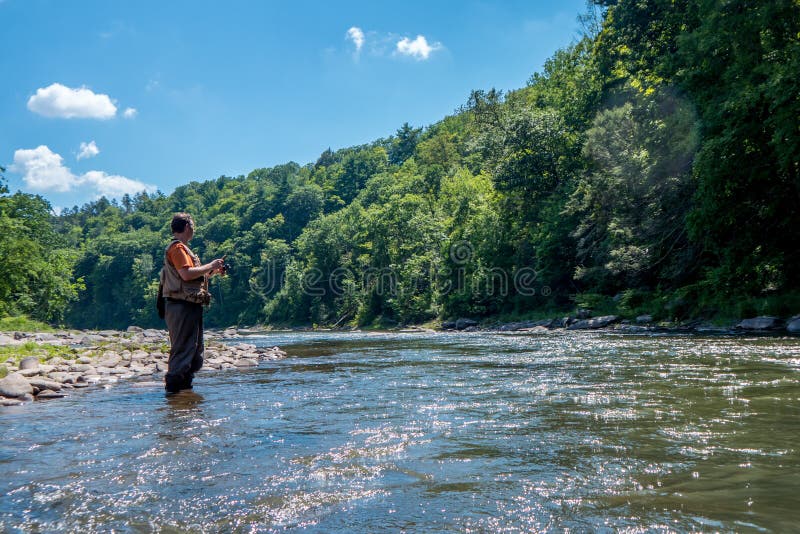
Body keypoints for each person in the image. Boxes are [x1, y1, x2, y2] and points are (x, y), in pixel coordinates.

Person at [160, 213, 225, 394]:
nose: (194, 229)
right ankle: (173, 395)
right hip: (181, 306)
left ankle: (184, 396)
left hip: (188, 305)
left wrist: (212, 271)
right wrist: (211, 265)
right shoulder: (178, 249)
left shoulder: (184, 250)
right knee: (182, 351)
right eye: (193, 225)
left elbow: (192, 277)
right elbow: (186, 275)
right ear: (187, 226)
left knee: (194, 353)